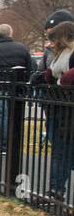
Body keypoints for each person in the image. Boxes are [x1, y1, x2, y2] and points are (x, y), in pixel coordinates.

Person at [37, 20, 74, 202]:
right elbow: (53, 73)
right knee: (59, 150)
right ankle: (55, 189)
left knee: (62, 151)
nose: (51, 44)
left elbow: (67, 77)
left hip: (67, 109)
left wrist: (66, 78)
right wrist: (44, 77)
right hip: (57, 105)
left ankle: (56, 189)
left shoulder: (71, 54)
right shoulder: (61, 54)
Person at [0, 24, 33, 156]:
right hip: (17, 88)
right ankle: (15, 143)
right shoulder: (22, 48)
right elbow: (30, 68)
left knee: (1, 117)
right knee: (16, 116)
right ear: (10, 34)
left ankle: (4, 145)